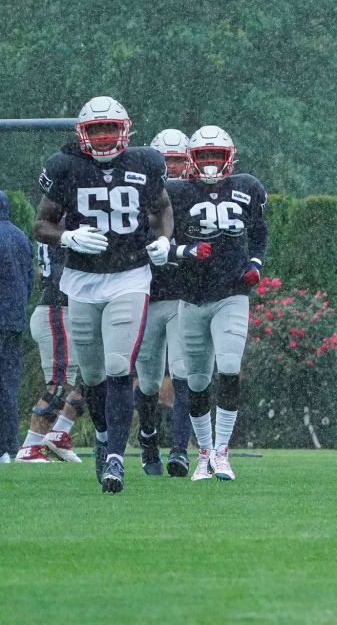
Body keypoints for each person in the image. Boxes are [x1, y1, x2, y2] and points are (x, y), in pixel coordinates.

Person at [32, 96, 174, 492]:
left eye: (110, 127)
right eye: (96, 129)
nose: (104, 136)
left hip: (129, 276)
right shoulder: (65, 167)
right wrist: (67, 236)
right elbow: (41, 223)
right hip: (82, 280)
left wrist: (164, 239)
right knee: (92, 374)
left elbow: (162, 209)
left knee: (117, 365)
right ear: (82, 133)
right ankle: (101, 436)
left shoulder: (145, 163)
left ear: (125, 129)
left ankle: (115, 458)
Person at [168, 125, 268, 482]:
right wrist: (186, 251)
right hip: (191, 297)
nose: (210, 162)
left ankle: (222, 452)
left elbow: (259, 232)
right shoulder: (176, 192)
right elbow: (158, 244)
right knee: (196, 381)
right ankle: (204, 453)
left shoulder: (247, 187)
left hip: (231, 294)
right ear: (191, 158)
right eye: (204, 155)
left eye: (216, 155)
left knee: (228, 367)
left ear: (229, 158)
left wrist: (255, 264)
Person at [133, 129, 208, 477]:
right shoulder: (139, 196)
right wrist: (179, 251)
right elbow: (140, 243)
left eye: (178, 161)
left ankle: (180, 450)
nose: (173, 169)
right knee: (148, 381)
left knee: (182, 373)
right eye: (167, 161)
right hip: (148, 296)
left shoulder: (198, 198)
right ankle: (148, 440)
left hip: (182, 297)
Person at [17, 236, 83, 463]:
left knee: (90, 384)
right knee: (59, 385)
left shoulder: (54, 228)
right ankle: (30, 447)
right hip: (56, 312)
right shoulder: (61, 228)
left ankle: (58, 434)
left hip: (64, 311)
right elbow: (60, 273)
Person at [0, 191, 34, 462]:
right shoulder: (21, 237)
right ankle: (9, 447)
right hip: (14, 319)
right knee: (7, 385)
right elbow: (29, 279)